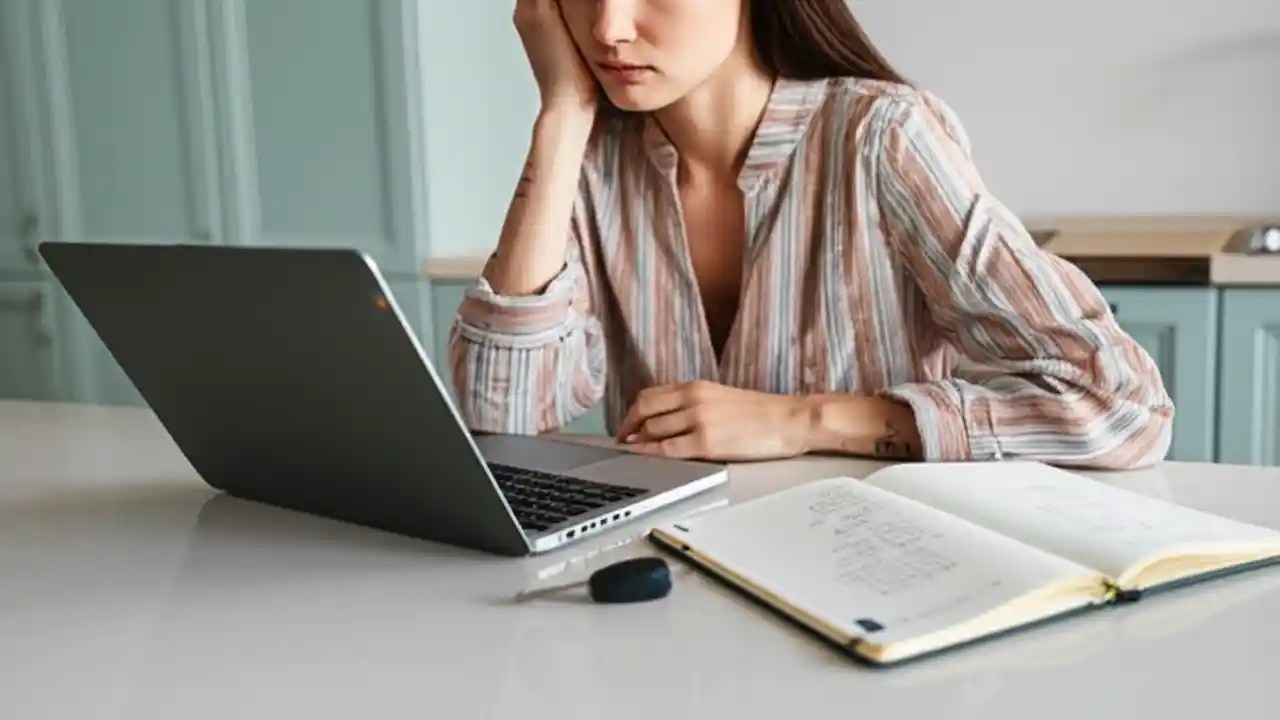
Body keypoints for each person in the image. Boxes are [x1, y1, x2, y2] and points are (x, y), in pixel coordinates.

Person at [447, 0, 1174, 469]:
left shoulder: (882, 138)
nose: (608, 27)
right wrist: (562, 116)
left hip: (879, 588)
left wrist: (802, 422)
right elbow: (497, 424)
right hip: (672, 601)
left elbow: (1121, 404)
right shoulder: (591, 163)